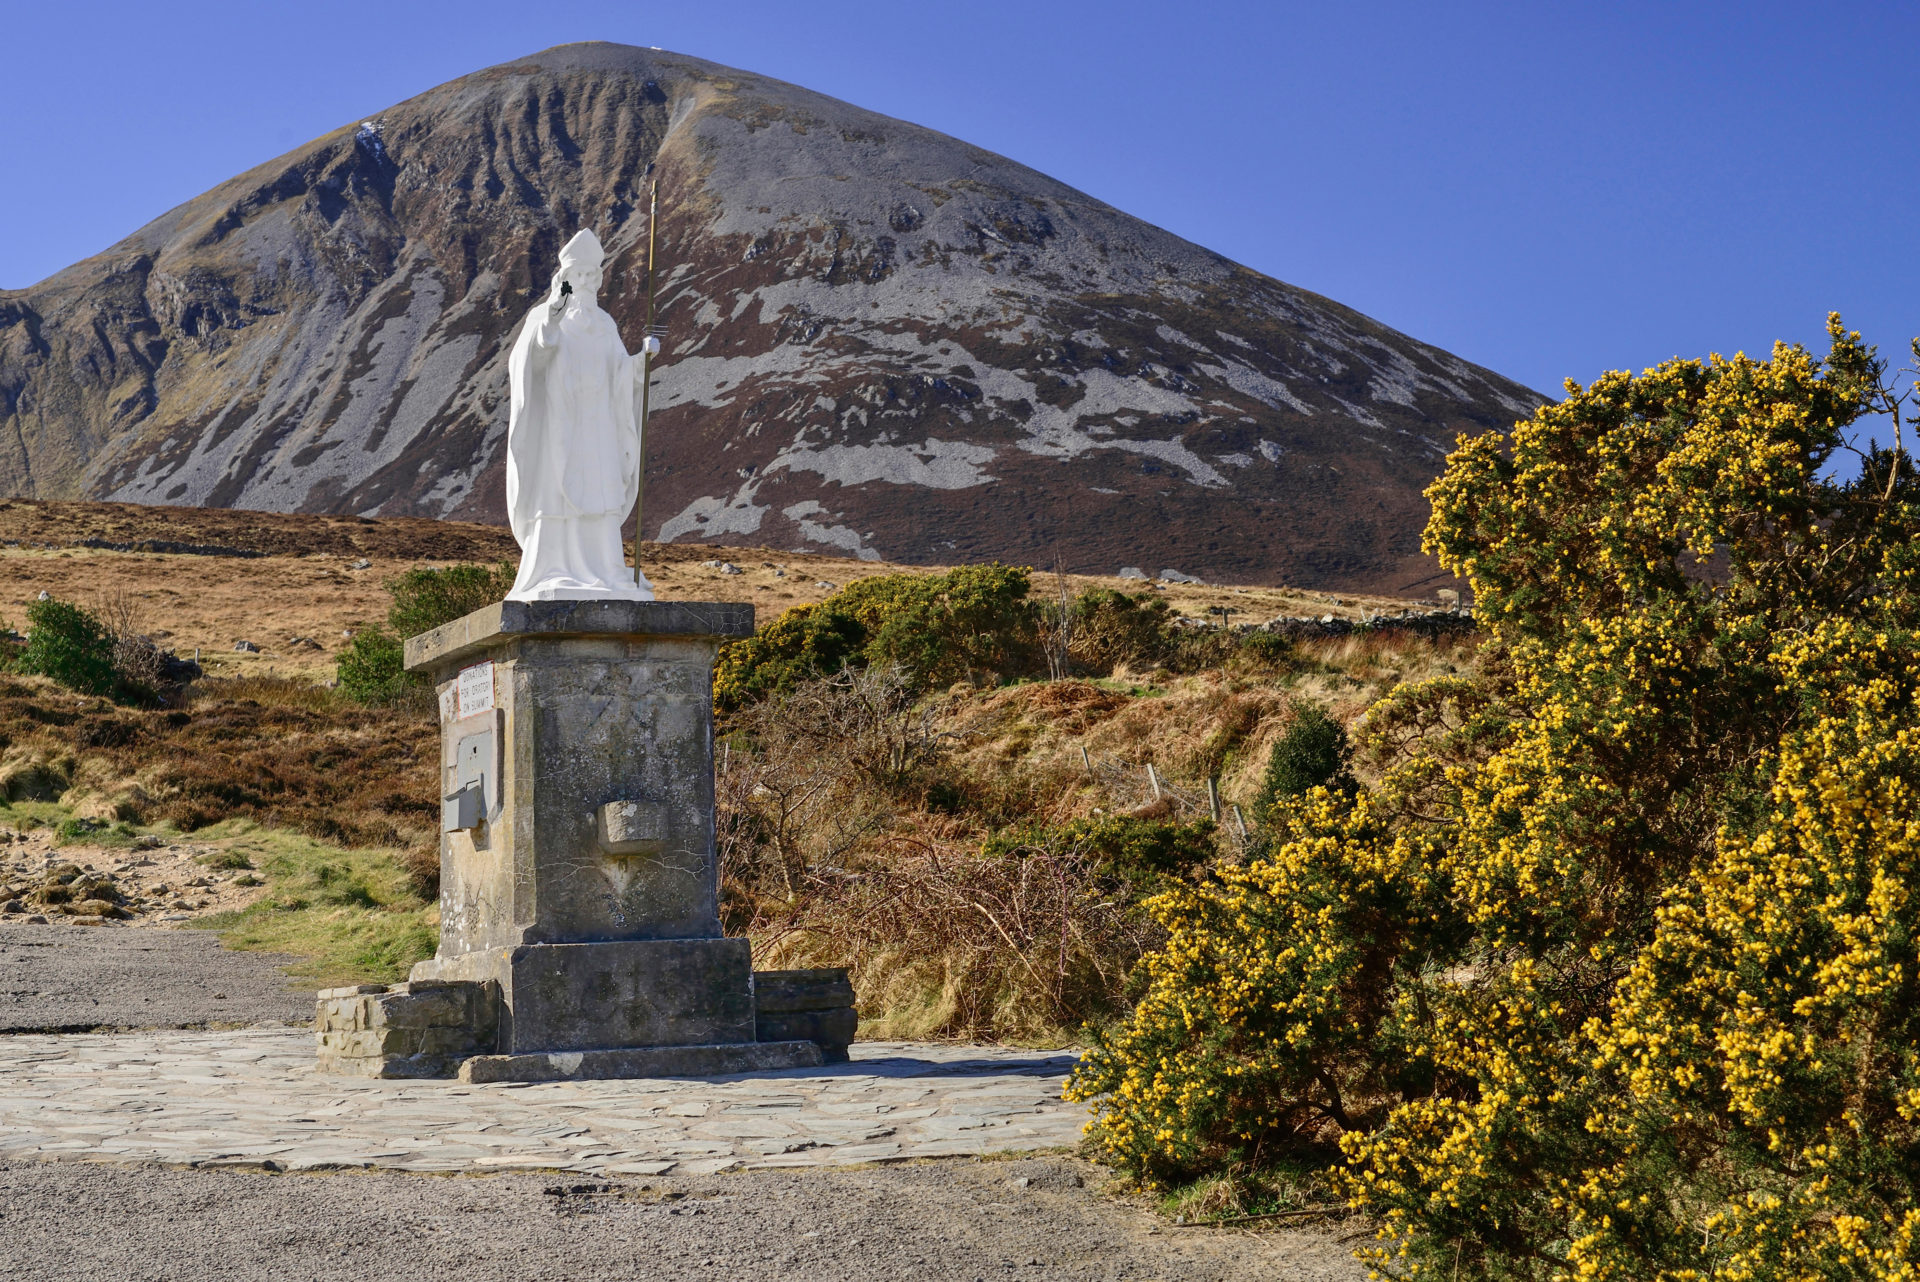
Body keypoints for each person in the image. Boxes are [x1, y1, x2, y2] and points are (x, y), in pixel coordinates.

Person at [504, 228, 658, 601]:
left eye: (593, 276)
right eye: (581, 276)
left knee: (600, 493)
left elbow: (618, 373)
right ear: (567, 279)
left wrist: (641, 362)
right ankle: (555, 568)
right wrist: (551, 324)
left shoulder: (605, 324)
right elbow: (530, 360)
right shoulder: (545, 317)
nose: (588, 282)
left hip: (598, 425)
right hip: (561, 423)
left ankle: (608, 569)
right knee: (557, 494)